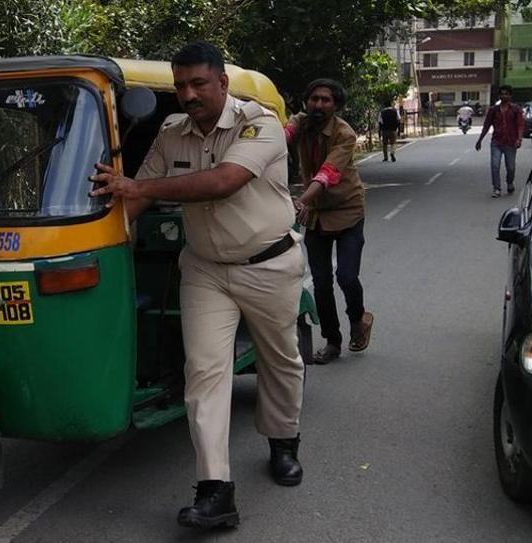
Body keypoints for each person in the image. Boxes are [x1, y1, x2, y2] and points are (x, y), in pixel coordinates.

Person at [89, 41, 306, 530]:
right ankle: (215, 489)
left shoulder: (261, 124)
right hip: (205, 269)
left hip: (268, 264)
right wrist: (89, 234)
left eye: (199, 84)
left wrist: (138, 189)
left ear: (222, 83)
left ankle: (283, 440)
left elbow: (222, 181)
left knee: (281, 361)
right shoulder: (172, 132)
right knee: (204, 374)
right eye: (181, 85)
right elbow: (136, 194)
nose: (188, 94)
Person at [285, 79, 374, 365]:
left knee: (346, 276)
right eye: (314, 99)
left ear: (335, 106)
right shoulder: (298, 122)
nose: (319, 105)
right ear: (306, 102)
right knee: (321, 282)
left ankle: (359, 319)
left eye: (326, 100)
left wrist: (302, 201)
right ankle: (332, 341)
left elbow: (328, 173)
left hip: (347, 210)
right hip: (316, 216)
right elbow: (277, 140)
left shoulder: (344, 133)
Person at [476, 85, 524, 198]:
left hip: (511, 143)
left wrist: (519, 139)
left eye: (506, 94)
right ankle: (496, 188)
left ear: (510, 95)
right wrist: (480, 140)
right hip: (496, 142)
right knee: (495, 165)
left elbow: (520, 125)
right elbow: (486, 126)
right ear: (499, 95)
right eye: (502, 94)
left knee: (511, 167)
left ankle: (510, 182)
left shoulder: (516, 109)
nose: (504, 96)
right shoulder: (493, 110)